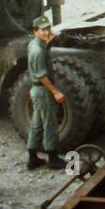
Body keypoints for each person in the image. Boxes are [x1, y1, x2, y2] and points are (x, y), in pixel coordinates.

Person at [27, 15, 69, 171]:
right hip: (42, 90)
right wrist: (56, 92)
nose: (46, 32)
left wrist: (49, 42)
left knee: (37, 124)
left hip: (37, 90)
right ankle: (53, 158)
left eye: (47, 29)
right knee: (50, 123)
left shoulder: (35, 44)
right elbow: (42, 76)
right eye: (42, 30)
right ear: (35, 31)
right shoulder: (38, 51)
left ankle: (32, 159)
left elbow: (43, 49)